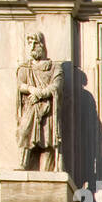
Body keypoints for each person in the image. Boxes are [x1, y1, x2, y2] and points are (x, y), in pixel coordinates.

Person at [15, 31, 63, 171]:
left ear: (42, 45)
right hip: (30, 106)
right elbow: (20, 85)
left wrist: (41, 94)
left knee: (47, 139)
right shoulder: (25, 68)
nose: (32, 47)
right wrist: (32, 89)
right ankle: (23, 164)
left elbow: (56, 86)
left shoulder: (54, 67)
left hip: (47, 108)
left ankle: (46, 172)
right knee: (24, 132)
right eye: (29, 43)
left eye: (35, 43)